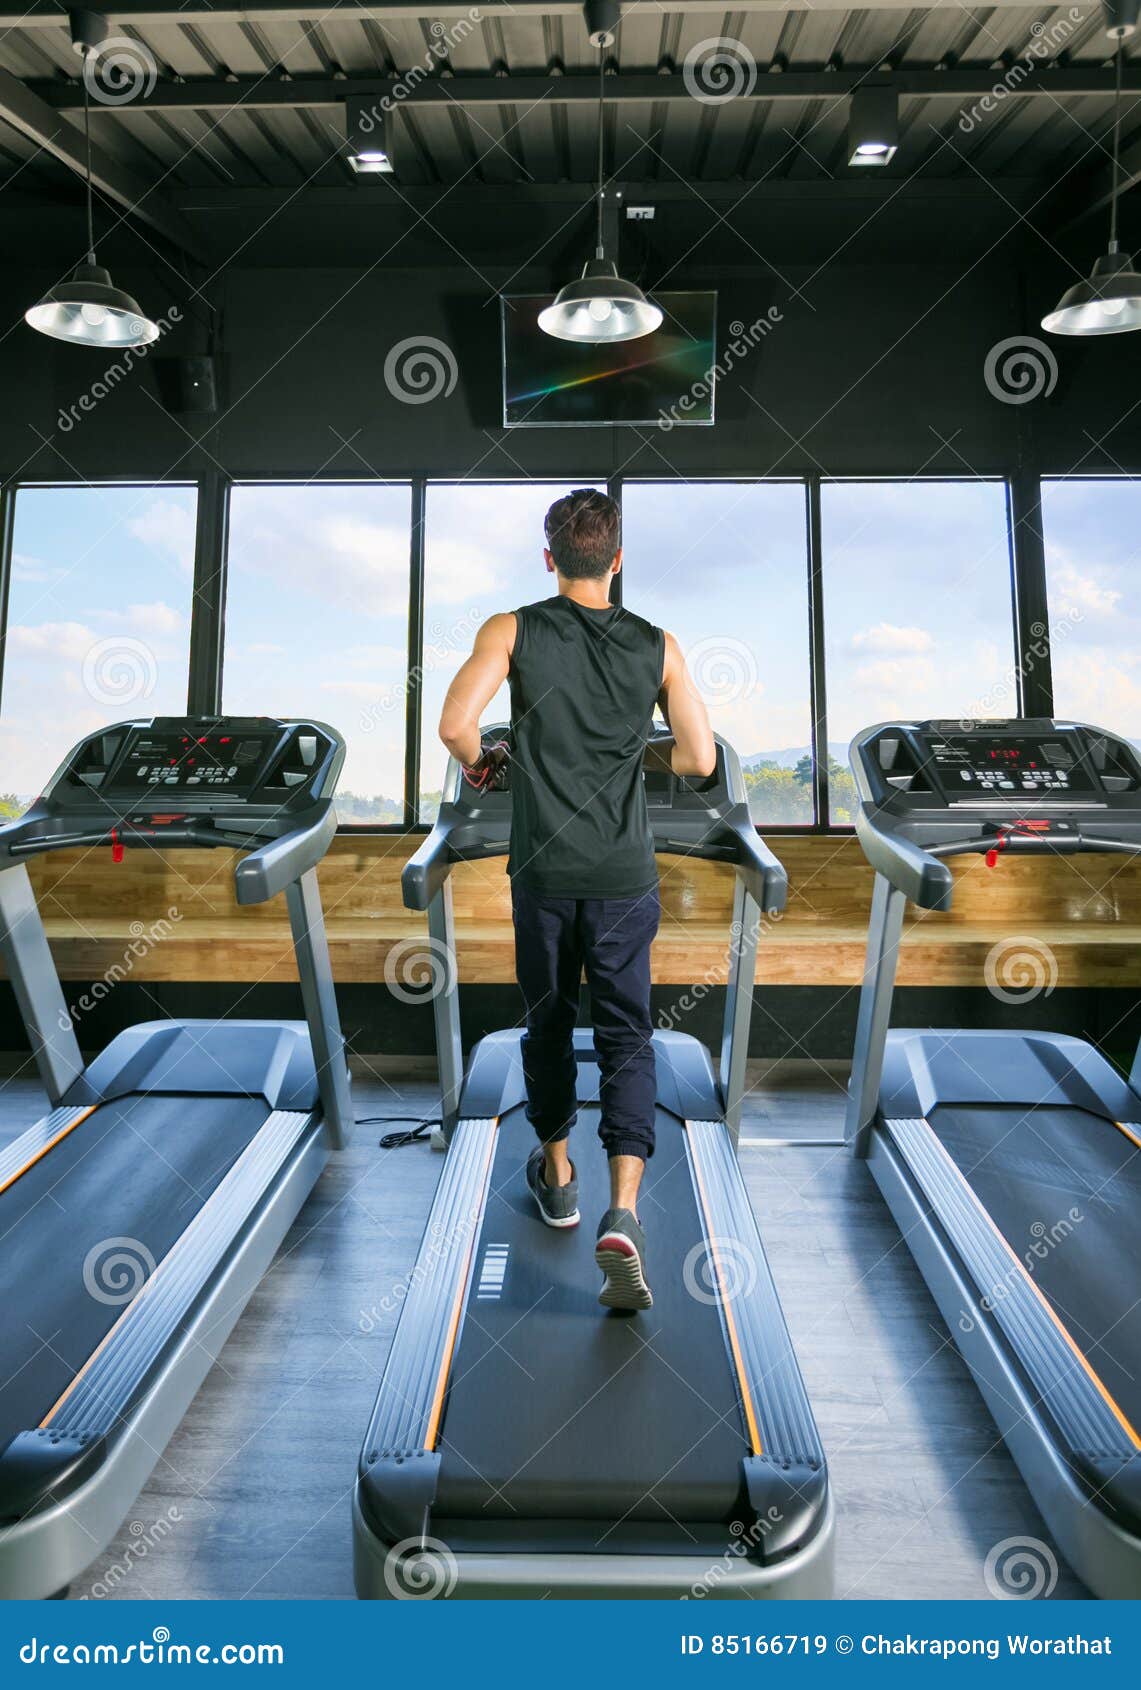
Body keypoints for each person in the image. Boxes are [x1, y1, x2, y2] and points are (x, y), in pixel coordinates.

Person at [438, 489, 715, 1311]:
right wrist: (630, 753)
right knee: (628, 1035)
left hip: (545, 876)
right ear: (616, 560)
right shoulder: (658, 645)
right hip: (624, 875)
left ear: (549, 558)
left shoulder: (511, 629)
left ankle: (558, 1179)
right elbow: (698, 759)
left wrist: (487, 761)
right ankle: (622, 1210)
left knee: (549, 1023)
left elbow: (455, 727)